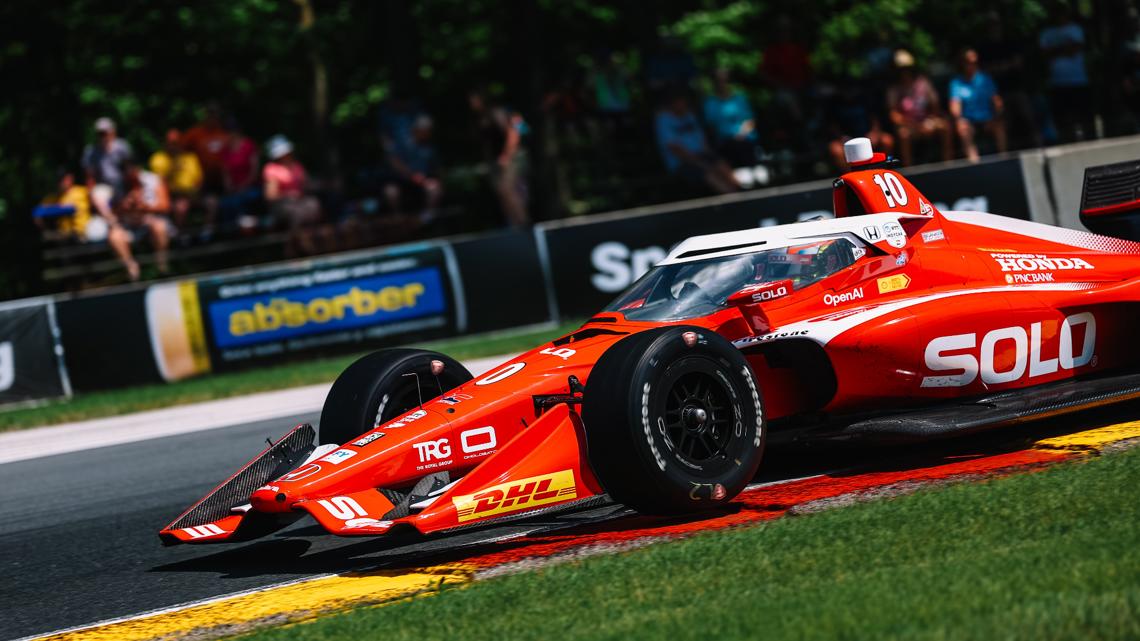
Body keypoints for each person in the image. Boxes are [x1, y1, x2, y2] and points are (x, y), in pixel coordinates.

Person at [655, 91, 740, 194]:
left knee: (720, 164)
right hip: (683, 163)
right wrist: (698, 162)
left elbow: (702, 141)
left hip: (701, 155)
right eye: (680, 102)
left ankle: (741, 193)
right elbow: (675, 148)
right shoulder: (663, 119)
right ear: (672, 104)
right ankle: (732, 199)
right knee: (708, 173)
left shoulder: (689, 115)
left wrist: (708, 156)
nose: (683, 105)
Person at [469, 91, 529, 227]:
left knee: (508, 188)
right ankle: (512, 223)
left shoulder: (496, 113)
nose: (472, 104)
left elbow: (512, 134)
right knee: (501, 192)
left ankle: (523, 222)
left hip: (510, 157)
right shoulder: (479, 118)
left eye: (474, 100)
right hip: (494, 161)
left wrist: (506, 155)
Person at [886, 50, 952, 165]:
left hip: (926, 121)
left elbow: (935, 104)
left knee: (944, 126)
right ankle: (909, 169)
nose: (905, 72)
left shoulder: (923, 83)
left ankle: (948, 164)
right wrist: (912, 125)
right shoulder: (894, 89)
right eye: (901, 70)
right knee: (903, 135)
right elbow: (893, 115)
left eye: (907, 69)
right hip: (908, 126)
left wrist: (930, 120)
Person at [1039, 6, 1092, 141]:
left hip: (1078, 79)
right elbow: (1045, 54)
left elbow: (1076, 49)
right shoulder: (1047, 32)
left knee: (1081, 112)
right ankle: (1066, 140)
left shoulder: (1075, 29)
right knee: (1061, 115)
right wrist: (1066, 48)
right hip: (1057, 81)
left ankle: (1086, 138)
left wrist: (1056, 50)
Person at [262, 135, 320, 256]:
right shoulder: (271, 169)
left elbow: (306, 185)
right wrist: (289, 195)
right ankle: (299, 247)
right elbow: (271, 195)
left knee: (313, 205)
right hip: (282, 205)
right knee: (295, 212)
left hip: (300, 201)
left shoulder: (297, 166)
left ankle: (313, 241)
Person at [114, 165, 174, 280]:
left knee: (160, 227)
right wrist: (124, 206)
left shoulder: (152, 179)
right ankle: (131, 269)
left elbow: (165, 206)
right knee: (114, 236)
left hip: (150, 222)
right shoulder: (118, 184)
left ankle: (162, 266)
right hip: (129, 226)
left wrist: (145, 207)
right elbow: (114, 211)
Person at [948, 49, 1007, 162]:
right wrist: (959, 118)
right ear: (962, 63)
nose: (972, 65)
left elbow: (996, 100)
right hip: (969, 121)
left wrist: (997, 114)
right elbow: (955, 104)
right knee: (963, 129)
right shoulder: (956, 83)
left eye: (974, 62)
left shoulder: (985, 79)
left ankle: (1003, 159)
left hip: (988, 119)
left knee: (1000, 126)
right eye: (968, 62)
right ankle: (975, 163)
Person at [382, 114, 442, 222]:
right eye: (425, 130)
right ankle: (398, 217)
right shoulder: (402, 143)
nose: (427, 133)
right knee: (390, 191)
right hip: (401, 181)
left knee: (434, 187)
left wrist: (427, 178)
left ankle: (426, 217)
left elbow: (436, 169)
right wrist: (411, 175)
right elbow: (393, 161)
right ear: (417, 129)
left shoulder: (430, 147)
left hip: (422, 181)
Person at [826, 79, 895, 168]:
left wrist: (874, 133)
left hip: (867, 136)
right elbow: (832, 126)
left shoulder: (864, 100)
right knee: (835, 150)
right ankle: (849, 178)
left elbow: (874, 118)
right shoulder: (834, 104)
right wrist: (841, 139)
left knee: (887, 140)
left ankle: (886, 170)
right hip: (845, 140)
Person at [703, 69, 762, 167]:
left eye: (725, 81)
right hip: (725, 142)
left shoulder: (740, 99)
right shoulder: (710, 103)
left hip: (746, 139)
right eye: (718, 81)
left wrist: (741, 135)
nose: (722, 84)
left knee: (742, 146)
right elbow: (711, 128)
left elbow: (750, 121)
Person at [33, 168, 108, 243]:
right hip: (64, 234)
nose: (62, 182)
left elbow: (99, 198)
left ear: (70, 178)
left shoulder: (82, 191)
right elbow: (38, 211)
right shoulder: (53, 198)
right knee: (45, 237)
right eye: (59, 180)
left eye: (64, 179)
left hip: (83, 233)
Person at [148, 129, 203, 227]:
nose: (174, 146)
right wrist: (173, 170)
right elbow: (159, 184)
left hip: (192, 194)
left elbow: (199, 180)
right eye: (172, 143)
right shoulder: (158, 159)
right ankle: (181, 237)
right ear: (166, 144)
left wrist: (193, 193)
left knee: (212, 202)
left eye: (177, 143)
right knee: (180, 207)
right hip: (171, 196)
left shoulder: (190, 157)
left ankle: (207, 233)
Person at [81, 117, 133, 218]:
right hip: (104, 187)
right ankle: (113, 223)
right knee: (97, 195)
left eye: (105, 133)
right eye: (100, 133)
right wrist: (91, 194)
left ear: (112, 132)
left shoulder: (122, 147)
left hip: (122, 186)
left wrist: (131, 191)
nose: (102, 136)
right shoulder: (91, 152)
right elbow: (89, 177)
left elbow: (130, 170)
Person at [219, 120, 262, 234]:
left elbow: (254, 170)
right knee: (227, 204)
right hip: (234, 190)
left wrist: (245, 185)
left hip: (251, 187)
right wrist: (230, 187)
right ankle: (231, 233)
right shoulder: (225, 150)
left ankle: (250, 229)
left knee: (246, 199)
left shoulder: (249, 145)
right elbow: (226, 173)